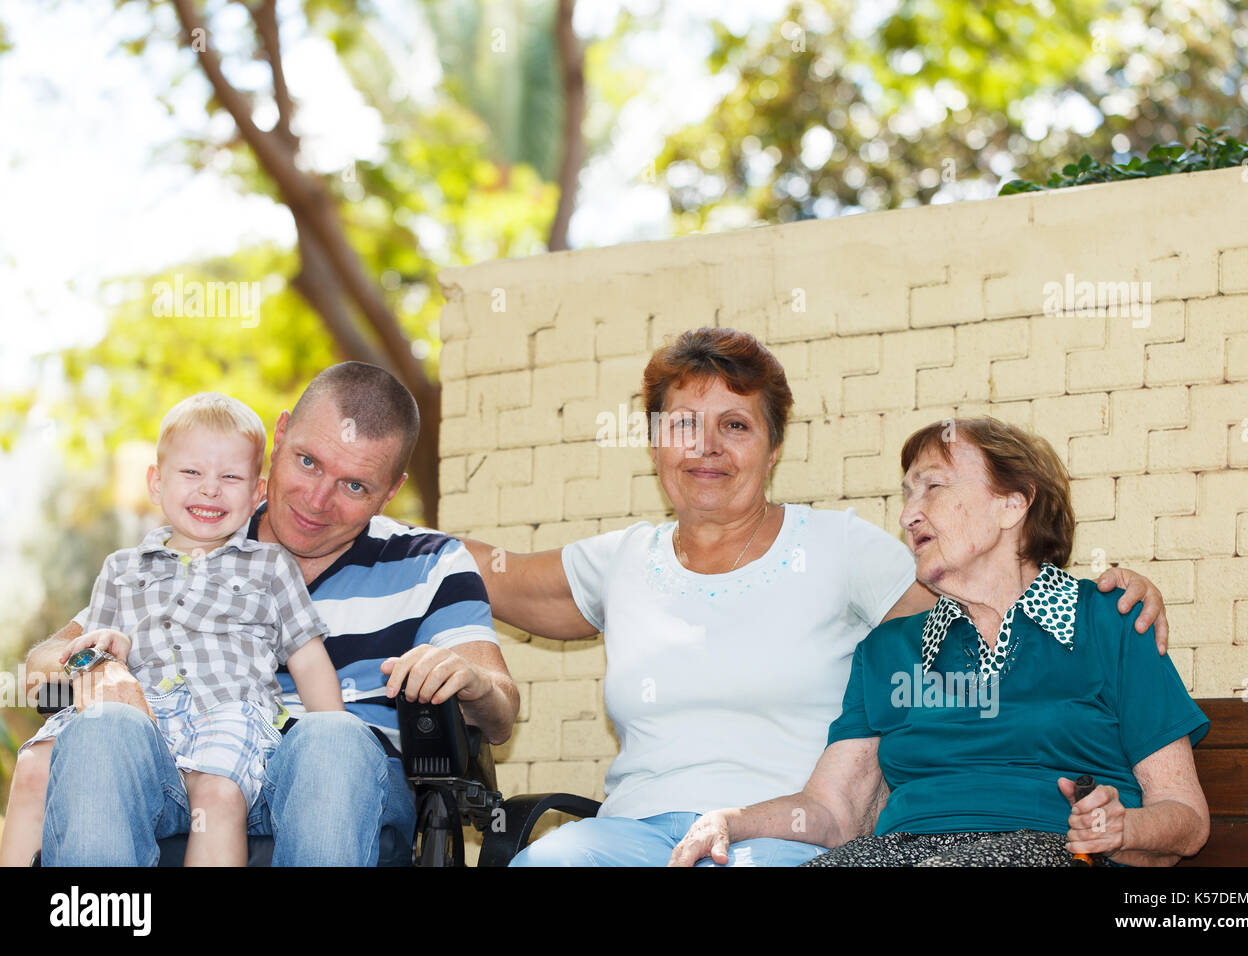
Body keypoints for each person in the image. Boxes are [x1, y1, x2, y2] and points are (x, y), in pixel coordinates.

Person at [460, 328, 1172, 867]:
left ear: (772, 451)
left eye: (735, 425)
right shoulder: (619, 560)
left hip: (782, 837)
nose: (707, 447)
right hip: (632, 835)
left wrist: (1087, 596)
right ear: (654, 444)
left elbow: (980, 608)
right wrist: (372, 524)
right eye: (683, 425)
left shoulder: (839, 548)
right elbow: (487, 573)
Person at [20, 362, 519, 866]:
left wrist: (471, 679)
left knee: (330, 736)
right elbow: (44, 664)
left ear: (390, 490)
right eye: (307, 461)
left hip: (336, 785)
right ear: (280, 437)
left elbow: (500, 712)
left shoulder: (431, 563)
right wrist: (99, 669)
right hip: (178, 771)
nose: (317, 500)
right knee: (104, 727)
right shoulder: (205, 533)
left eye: (354, 487)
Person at [668, 418, 1210, 867]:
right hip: (895, 855)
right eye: (906, 494)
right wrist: (731, 820)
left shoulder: (1111, 623)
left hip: (1044, 850)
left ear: (1013, 505)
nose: (908, 514)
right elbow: (833, 811)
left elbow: (1186, 818)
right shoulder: (887, 651)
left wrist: (1121, 827)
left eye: (933, 486)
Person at [1, 392, 344, 867]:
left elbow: (307, 658)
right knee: (37, 763)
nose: (209, 489)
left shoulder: (270, 567)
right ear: (156, 483)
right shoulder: (121, 569)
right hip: (137, 718)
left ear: (256, 493)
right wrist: (107, 648)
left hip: (228, 713)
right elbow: (93, 653)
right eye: (191, 473)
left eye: (230, 477)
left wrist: (332, 736)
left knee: (219, 797)